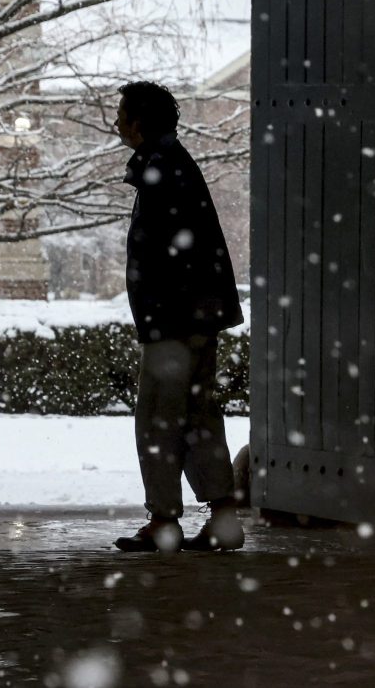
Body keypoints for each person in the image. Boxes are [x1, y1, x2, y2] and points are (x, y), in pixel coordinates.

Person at [111, 80, 245, 553]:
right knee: (199, 415)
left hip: (174, 320)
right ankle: (222, 518)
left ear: (140, 122)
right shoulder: (174, 165)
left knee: (158, 420)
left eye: (123, 114)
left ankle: (164, 520)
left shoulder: (160, 170)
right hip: (196, 316)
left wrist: (159, 318)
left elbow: (162, 258)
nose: (117, 123)